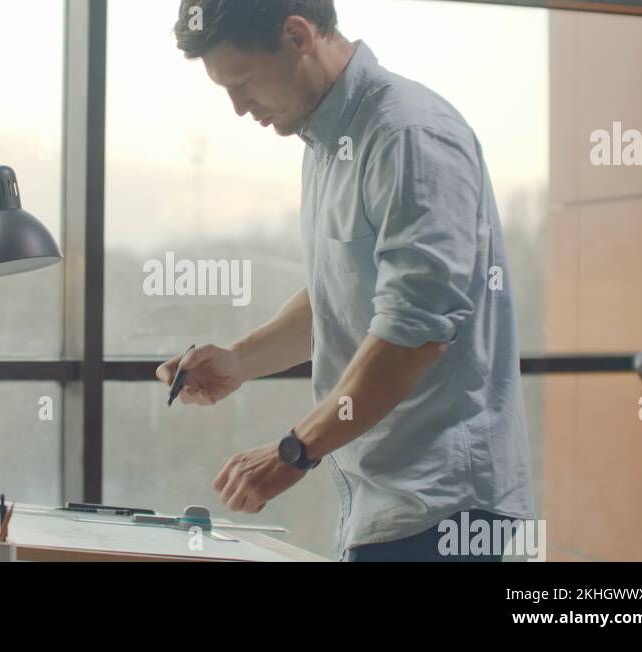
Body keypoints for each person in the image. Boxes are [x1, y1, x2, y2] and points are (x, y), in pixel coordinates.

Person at [156, 0, 535, 562]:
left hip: (445, 514)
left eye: (241, 81)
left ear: (297, 35)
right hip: (386, 506)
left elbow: (414, 331)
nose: (237, 108)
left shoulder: (408, 134)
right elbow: (339, 293)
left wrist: (294, 451)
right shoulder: (328, 140)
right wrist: (240, 360)